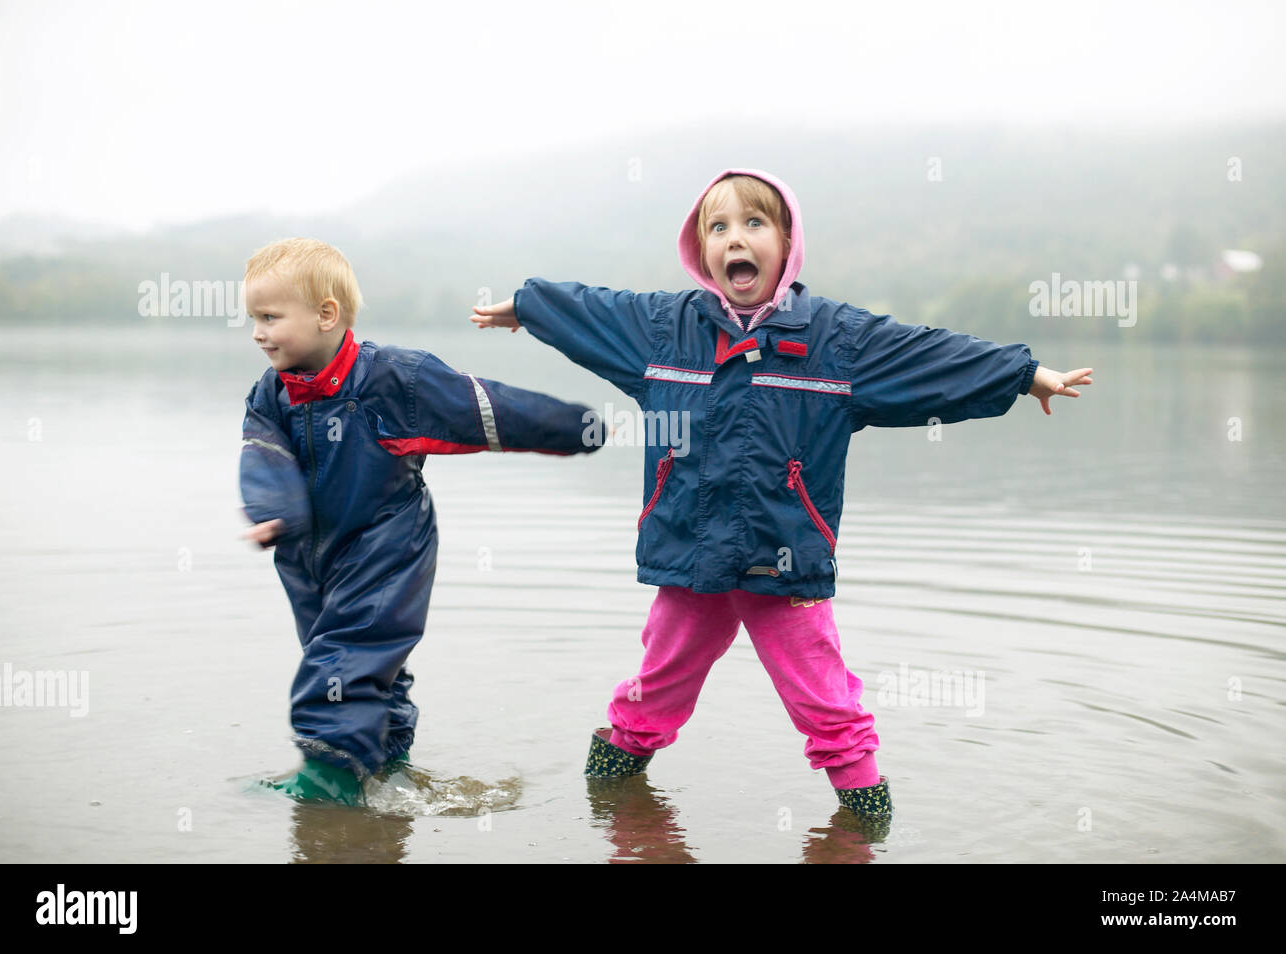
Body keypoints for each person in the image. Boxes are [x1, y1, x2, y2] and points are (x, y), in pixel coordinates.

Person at [470, 169, 1093, 830]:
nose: (735, 238)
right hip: (694, 563)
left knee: (830, 707)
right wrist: (529, 306)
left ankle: (866, 826)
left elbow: (929, 357)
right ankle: (611, 811)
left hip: (785, 566)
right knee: (653, 695)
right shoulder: (663, 331)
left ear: (787, 242)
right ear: (702, 251)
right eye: (719, 227)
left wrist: (1023, 375)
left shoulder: (836, 343)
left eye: (753, 223)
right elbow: (591, 309)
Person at [239, 237, 604, 806]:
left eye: (269, 317)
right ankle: (386, 762)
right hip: (307, 553)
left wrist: (574, 427)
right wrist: (272, 513)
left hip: (387, 544)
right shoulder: (271, 393)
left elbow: (485, 407)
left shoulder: (393, 379)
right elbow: (264, 453)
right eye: (253, 319)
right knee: (336, 654)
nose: (258, 333)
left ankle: (330, 776)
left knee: (350, 650)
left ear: (326, 315)